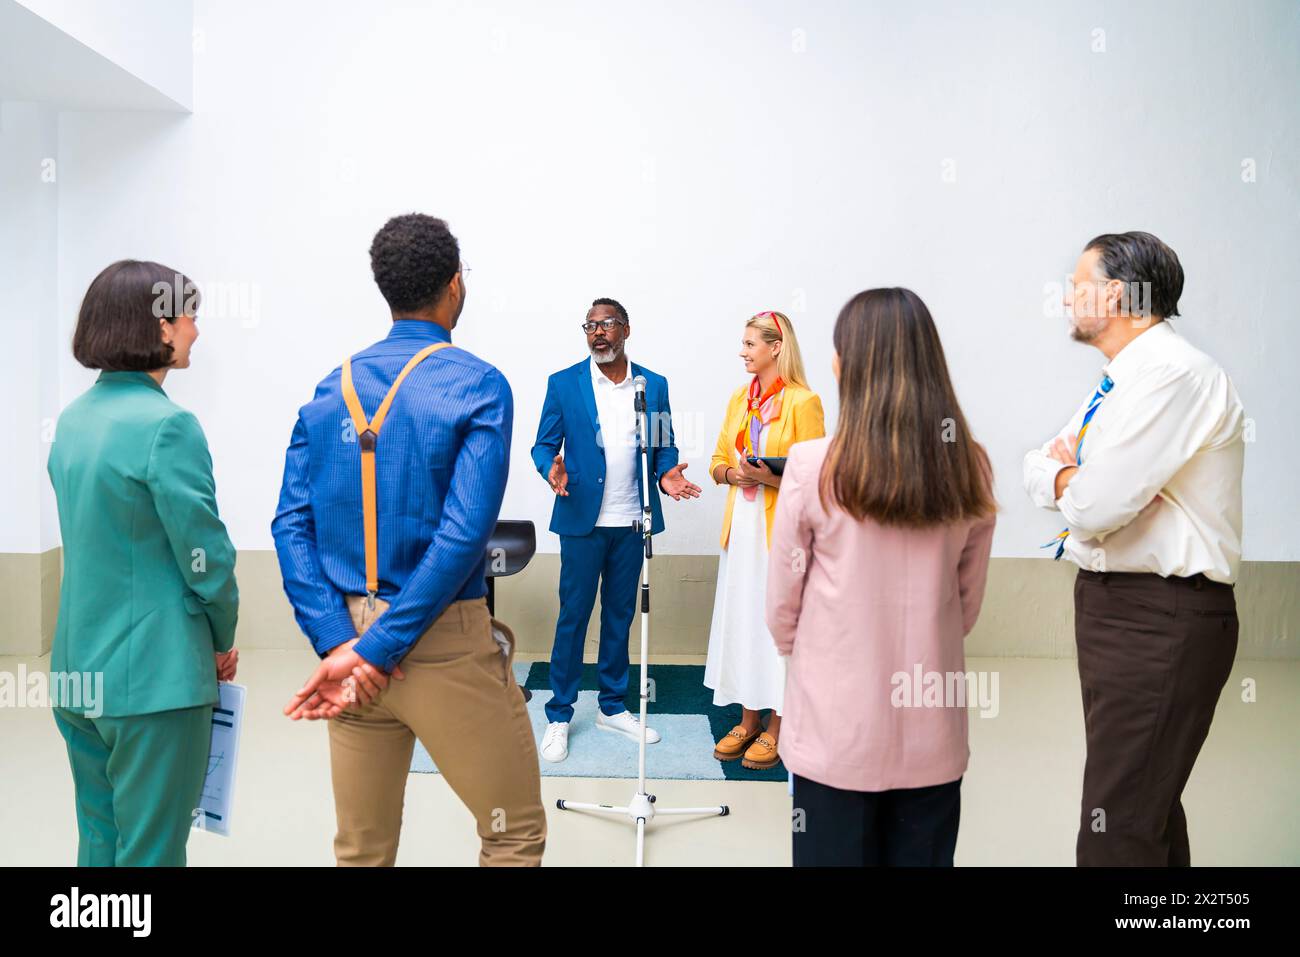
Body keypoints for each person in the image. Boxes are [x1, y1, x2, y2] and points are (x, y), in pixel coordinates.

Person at [272, 213, 546, 866]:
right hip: (437, 642)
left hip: (350, 650)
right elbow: (461, 538)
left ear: (385, 289)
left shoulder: (326, 389)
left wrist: (342, 644)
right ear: (455, 286)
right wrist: (380, 647)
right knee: (512, 832)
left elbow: (290, 524)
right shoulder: (478, 385)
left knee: (362, 849)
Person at [1023, 231, 1244, 866]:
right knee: (1145, 807)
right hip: (1116, 609)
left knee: (1119, 821)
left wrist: (1074, 482)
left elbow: (1096, 508)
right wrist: (1072, 478)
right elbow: (1041, 468)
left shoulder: (1174, 374)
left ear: (1117, 294)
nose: (1066, 297)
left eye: (1077, 284)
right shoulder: (1124, 378)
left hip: (1161, 617)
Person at [767, 287, 996, 867]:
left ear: (847, 366)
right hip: (932, 737)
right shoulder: (969, 463)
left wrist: (823, 657)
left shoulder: (813, 465)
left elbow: (781, 607)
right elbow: (965, 606)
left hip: (833, 731)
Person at [47, 260, 240, 866]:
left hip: (78, 674)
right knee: (152, 851)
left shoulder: (73, 421)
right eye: (190, 316)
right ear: (160, 326)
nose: (196, 332)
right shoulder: (168, 426)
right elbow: (206, 557)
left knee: (99, 840)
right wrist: (221, 637)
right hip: (153, 682)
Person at [530, 298, 701, 763]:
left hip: (632, 521)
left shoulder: (653, 385)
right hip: (582, 522)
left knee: (620, 616)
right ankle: (560, 715)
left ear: (626, 329)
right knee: (573, 617)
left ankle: (611, 706)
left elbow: (664, 445)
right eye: (590, 325)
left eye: (607, 324)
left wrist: (667, 475)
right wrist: (552, 468)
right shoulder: (564, 384)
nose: (597, 332)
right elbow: (543, 444)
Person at [705, 311, 824, 770]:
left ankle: (778, 725)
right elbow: (718, 460)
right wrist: (735, 473)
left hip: (782, 532)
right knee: (745, 620)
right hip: (743, 529)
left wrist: (770, 478)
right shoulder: (740, 399)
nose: (742, 352)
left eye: (750, 344)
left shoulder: (803, 402)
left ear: (776, 347)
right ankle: (747, 716)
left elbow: (815, 475)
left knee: (776, 625)